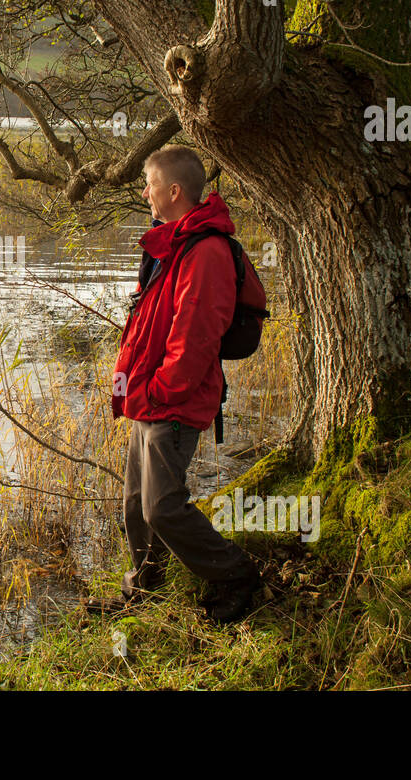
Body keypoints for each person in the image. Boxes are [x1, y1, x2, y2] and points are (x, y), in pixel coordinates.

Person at [84, 144, 264, 624]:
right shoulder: (174, 243)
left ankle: (235, 574)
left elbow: (197, 335)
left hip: (174, 401)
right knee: (135, 507)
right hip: (150, 396)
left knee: (162, 507)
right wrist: (137, 391)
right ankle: (143, 592)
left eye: (150, 184)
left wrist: (161, 391)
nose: (145, 192)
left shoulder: (204, 251)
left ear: (174, 190)